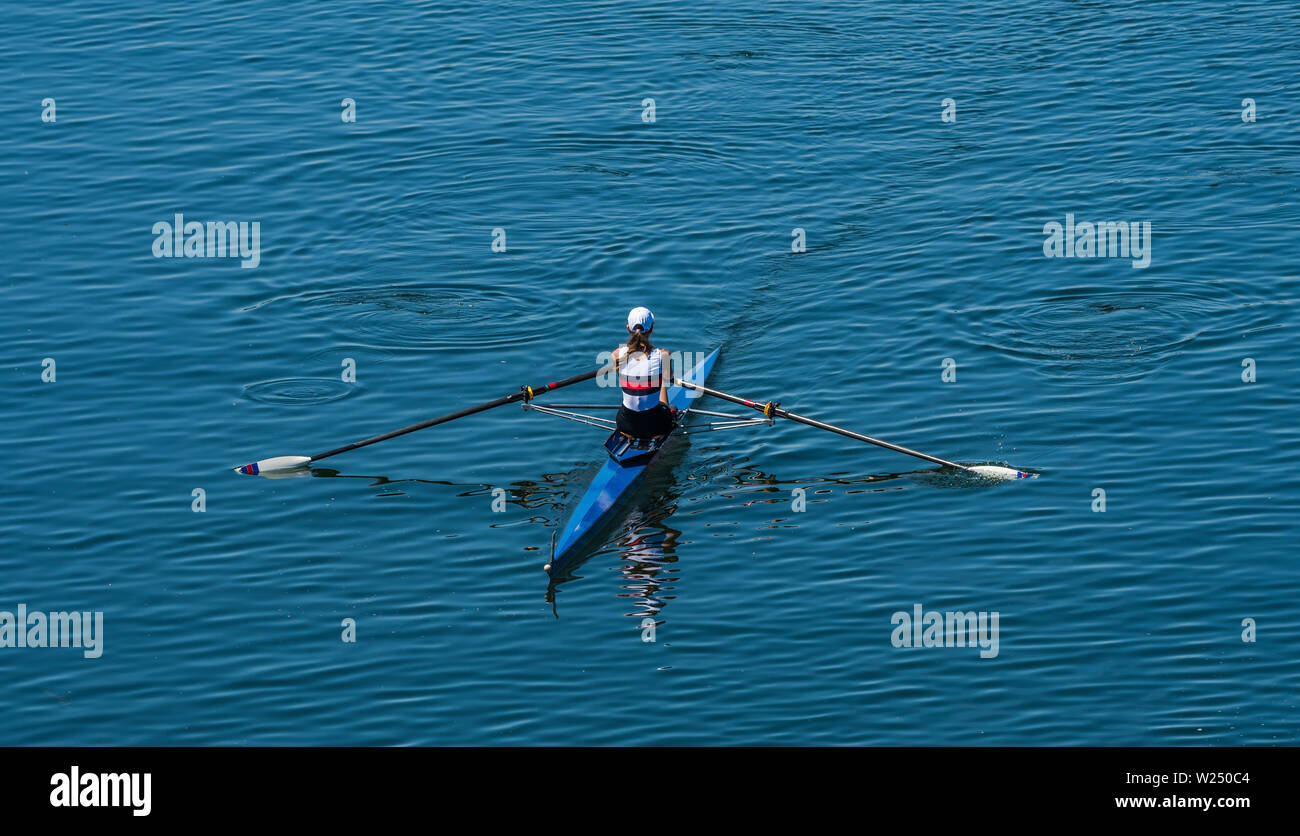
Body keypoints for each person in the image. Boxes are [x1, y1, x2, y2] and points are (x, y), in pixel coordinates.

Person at [612, 307, 676, 439]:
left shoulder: (616, 355)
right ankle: (663, 423)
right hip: (656, 427)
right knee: (663, 383)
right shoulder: (663, 355)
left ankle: (632, 430)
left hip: (625, 425)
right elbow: (669, 377)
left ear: (628, 328)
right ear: (652, 328)